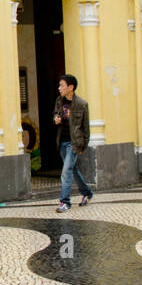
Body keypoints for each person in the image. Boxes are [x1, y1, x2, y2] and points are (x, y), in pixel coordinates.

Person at [53, 73, 93, 213]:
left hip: (74, 143)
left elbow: (86, 128)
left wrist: (84, 145)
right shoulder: (59, 101)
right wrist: (56, 119)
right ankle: (87, 193)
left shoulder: (82, 104)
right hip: (62, 142)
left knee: (66, 171)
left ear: (71, 87)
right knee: (72, 169)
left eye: (62, 85)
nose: (59, 88)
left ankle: (65, 202)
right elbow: (55, 114)